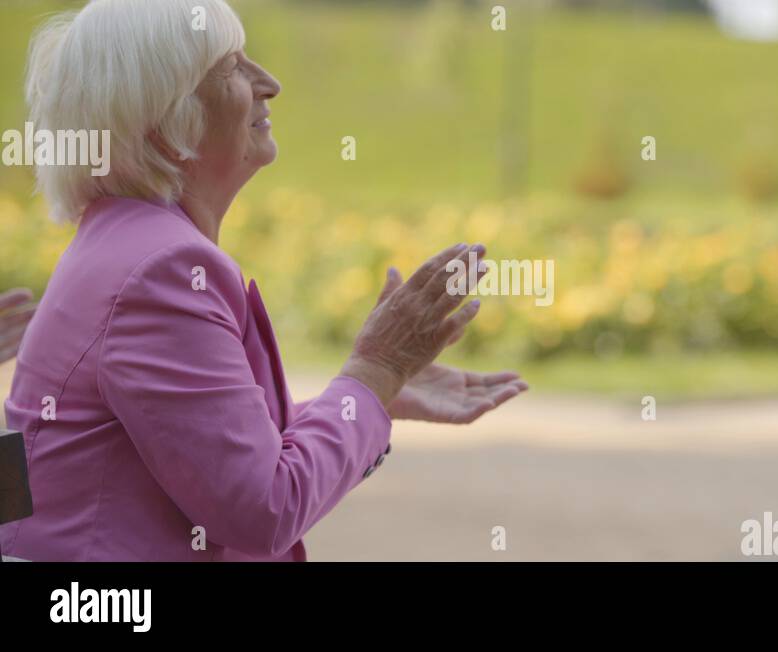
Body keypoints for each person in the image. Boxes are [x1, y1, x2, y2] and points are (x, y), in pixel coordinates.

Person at [0, 0, 527, 561]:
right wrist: (376, 372)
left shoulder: (122, 242)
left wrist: (368, 398)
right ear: (165, 122)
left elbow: (194, 449)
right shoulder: (161, 268)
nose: (268, 83)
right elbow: (262, 509)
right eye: (231, 67)